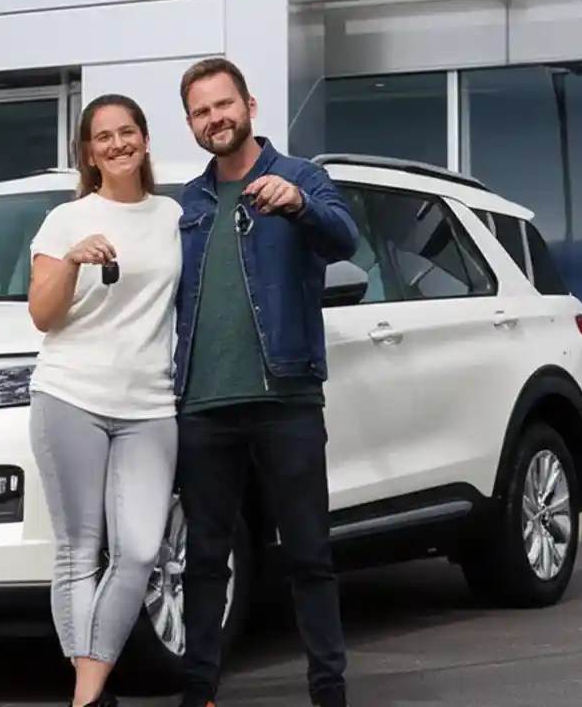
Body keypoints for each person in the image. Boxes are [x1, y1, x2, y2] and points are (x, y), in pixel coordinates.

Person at [170, 57, 360, 707]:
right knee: (202, 561)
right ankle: (199, 692)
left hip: (287, 399)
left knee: (309, 555)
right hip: (202, 405)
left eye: (223, 105)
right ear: (191, 123)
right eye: (201, 111)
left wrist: (302, 205)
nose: (214, 119)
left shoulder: (300, 176)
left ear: (249, 105)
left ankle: (328, 691)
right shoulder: (188, 203)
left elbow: (346, 241)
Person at [26, 93, 185, 707]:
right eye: (102, 137)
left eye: (127, 133)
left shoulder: (173, 214)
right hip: (71, 394)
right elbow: (43, 315)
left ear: (145, 140)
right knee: (78, 549)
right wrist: (71, 260)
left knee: (141, 549)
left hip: (150, 404)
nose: (116, 144)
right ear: (88, 154)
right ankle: (89, 696)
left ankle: (86, 695)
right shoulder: (65, 221)